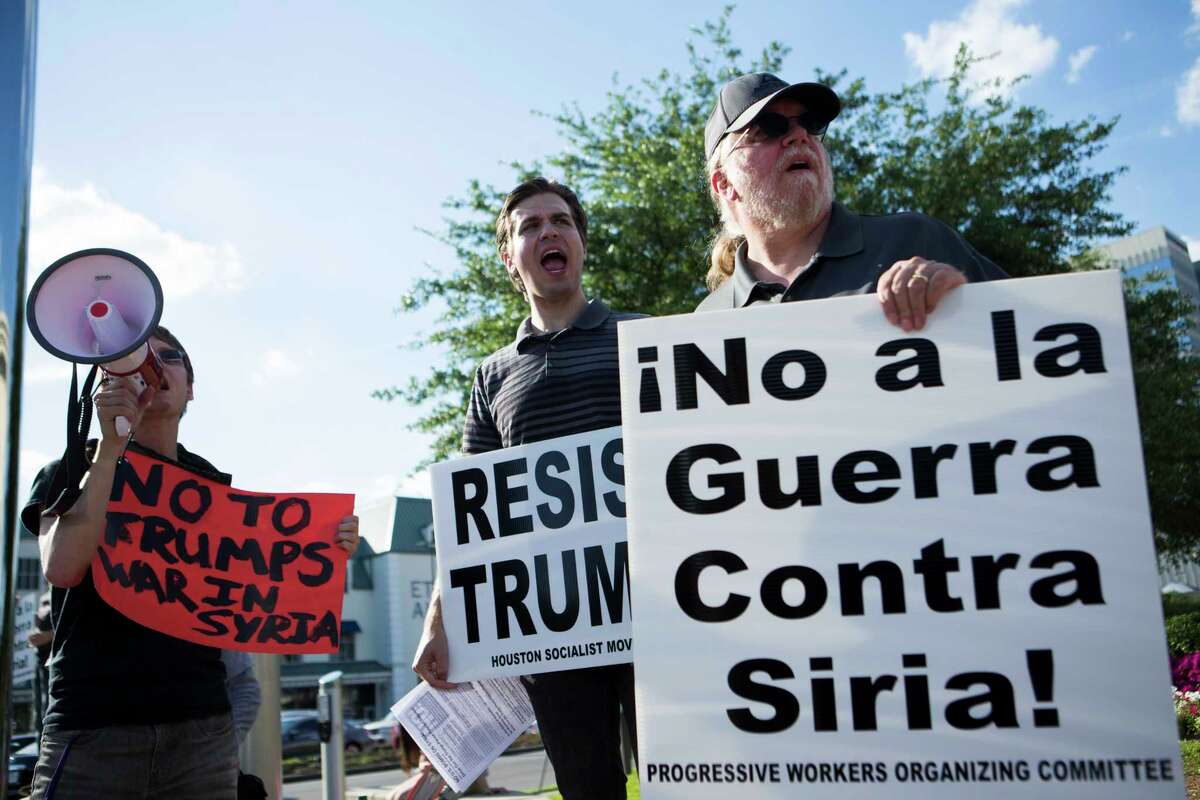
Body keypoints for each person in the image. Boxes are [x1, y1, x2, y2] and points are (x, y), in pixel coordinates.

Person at [21, 325, 360, 800]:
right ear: (109, 380)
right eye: (138, 358)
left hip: (201, 733)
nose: (154, 366)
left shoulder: (209, 484)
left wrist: (325, 546)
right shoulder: (70, 468)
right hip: (95, 731)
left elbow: (249, 589)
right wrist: (111, 448)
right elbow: (62, 567)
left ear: (191, 390)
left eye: (170, 357)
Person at [412, 178, 640, 800]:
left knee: (689, 777)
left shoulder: (645, 338)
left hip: (657, 605)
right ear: (510, 258)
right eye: (530, 226)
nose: (549, 232)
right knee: (588, 787)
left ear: (581, 243)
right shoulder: (492, 376)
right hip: (554, 625)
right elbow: (469, 515)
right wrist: (440, 618)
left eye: (561, 221)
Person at [699, 72, 1006, 318]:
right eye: (769, 128)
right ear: (724, 182)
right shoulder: (706, 321)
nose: (799, 135)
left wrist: (968, 301)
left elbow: (1038, 339)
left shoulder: (915, 240)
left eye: (810, 123)